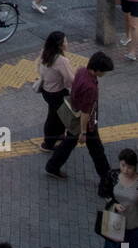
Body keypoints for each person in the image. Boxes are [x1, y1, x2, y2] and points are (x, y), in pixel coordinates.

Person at [45, 50, 114, 187]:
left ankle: (52, 166)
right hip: (86, 125)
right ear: (97, 70)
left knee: (68, 143)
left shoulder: (82, 71)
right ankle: (106, 178)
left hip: (74, 116)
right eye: (104, 71)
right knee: (97, 151)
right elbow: (85, 112)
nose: (104, 74)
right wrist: (83, 132)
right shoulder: (91, 88)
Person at [36, 30, 75, 153]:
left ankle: (58, 135)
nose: (67, 43)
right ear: (60, 45)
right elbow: (70, 79)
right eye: (65, 41)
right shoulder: (61, 61)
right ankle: (47, 144)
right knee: (54, 118)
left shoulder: (44, 53)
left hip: (46, 91)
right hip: (58, 93)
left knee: (55, 115)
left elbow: (39, 68)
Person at [104, 148, 138, 248]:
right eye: (123, 165)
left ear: (135, 166)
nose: (125, 170)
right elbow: (105, 192)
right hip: (114, 221)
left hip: (132, 226)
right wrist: (114, 204)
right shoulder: (113, 175)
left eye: (129, 167)